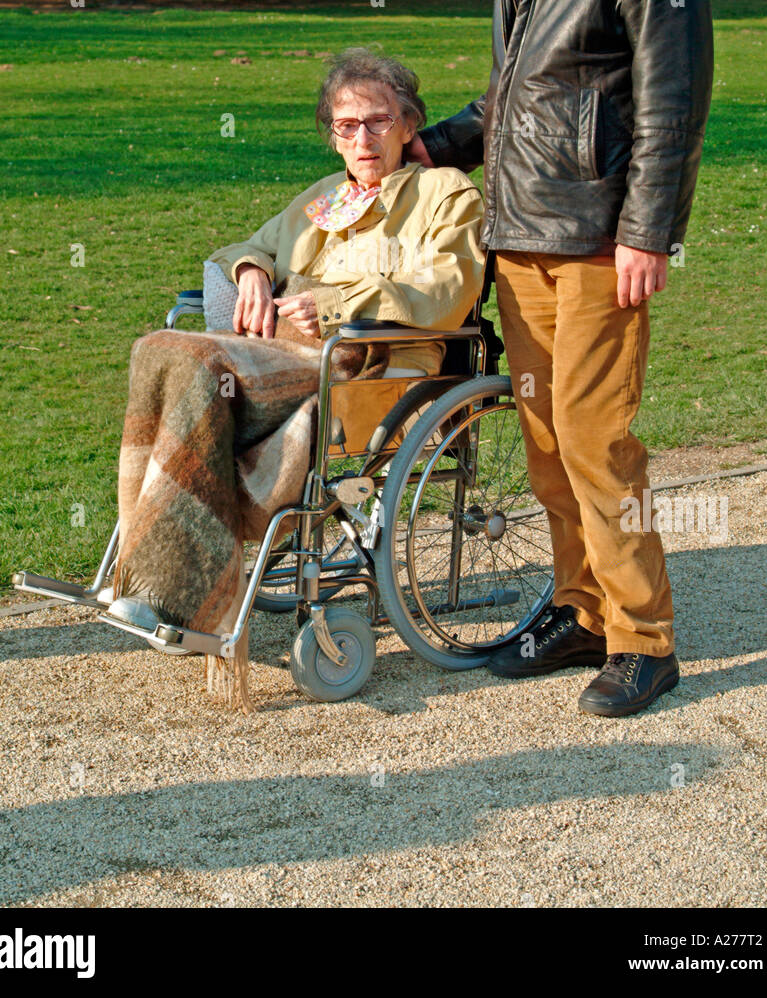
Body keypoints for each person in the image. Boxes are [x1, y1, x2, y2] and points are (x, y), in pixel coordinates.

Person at [407, 0, 713, 717]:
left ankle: (643, 637)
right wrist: (443, 142)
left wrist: (646, 232)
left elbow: (671, 99)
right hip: (517, 229)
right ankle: (579, 608)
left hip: (594, 233)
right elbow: (514, 87)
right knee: (543, 439)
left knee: (592, 435)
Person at [106, 48, 485, 708]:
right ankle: (151, 579)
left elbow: (447, 290)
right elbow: (241, 249)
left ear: (407, 124)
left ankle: (178, 593)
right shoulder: (325, 198)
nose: (362, 139)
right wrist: (252, 269)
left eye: (377, 121)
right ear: (331, 132)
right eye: (346, 125)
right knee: (156, 351)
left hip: (374, 366)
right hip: (287, 359)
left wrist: (337, 303)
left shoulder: (443, 193)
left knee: (198, 362)